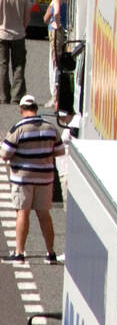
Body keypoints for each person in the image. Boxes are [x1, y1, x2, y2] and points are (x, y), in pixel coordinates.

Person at [1, 95, 64, 263]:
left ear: (21, 110)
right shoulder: (51, 128)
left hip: (23, 179)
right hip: (45, 178)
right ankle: (51, 253)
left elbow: (4, 154)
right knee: (44, 215)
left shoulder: (19, 128)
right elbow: (60, 151)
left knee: (23, 212)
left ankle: (19, 253)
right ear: (36, 108)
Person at [0, 0, 29, 104]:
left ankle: (3, 95)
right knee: (18, 65)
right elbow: (27, 17)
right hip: (18, 34)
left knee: (2, 64)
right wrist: (22, 27)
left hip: (2, 34)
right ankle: (17, 96)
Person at [43, 0, 68, 109]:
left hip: (55, 33)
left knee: (54, 63)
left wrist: (56, 23)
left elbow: (53, 14)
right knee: (60, 62)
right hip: (64, 33)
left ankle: (55, 96)